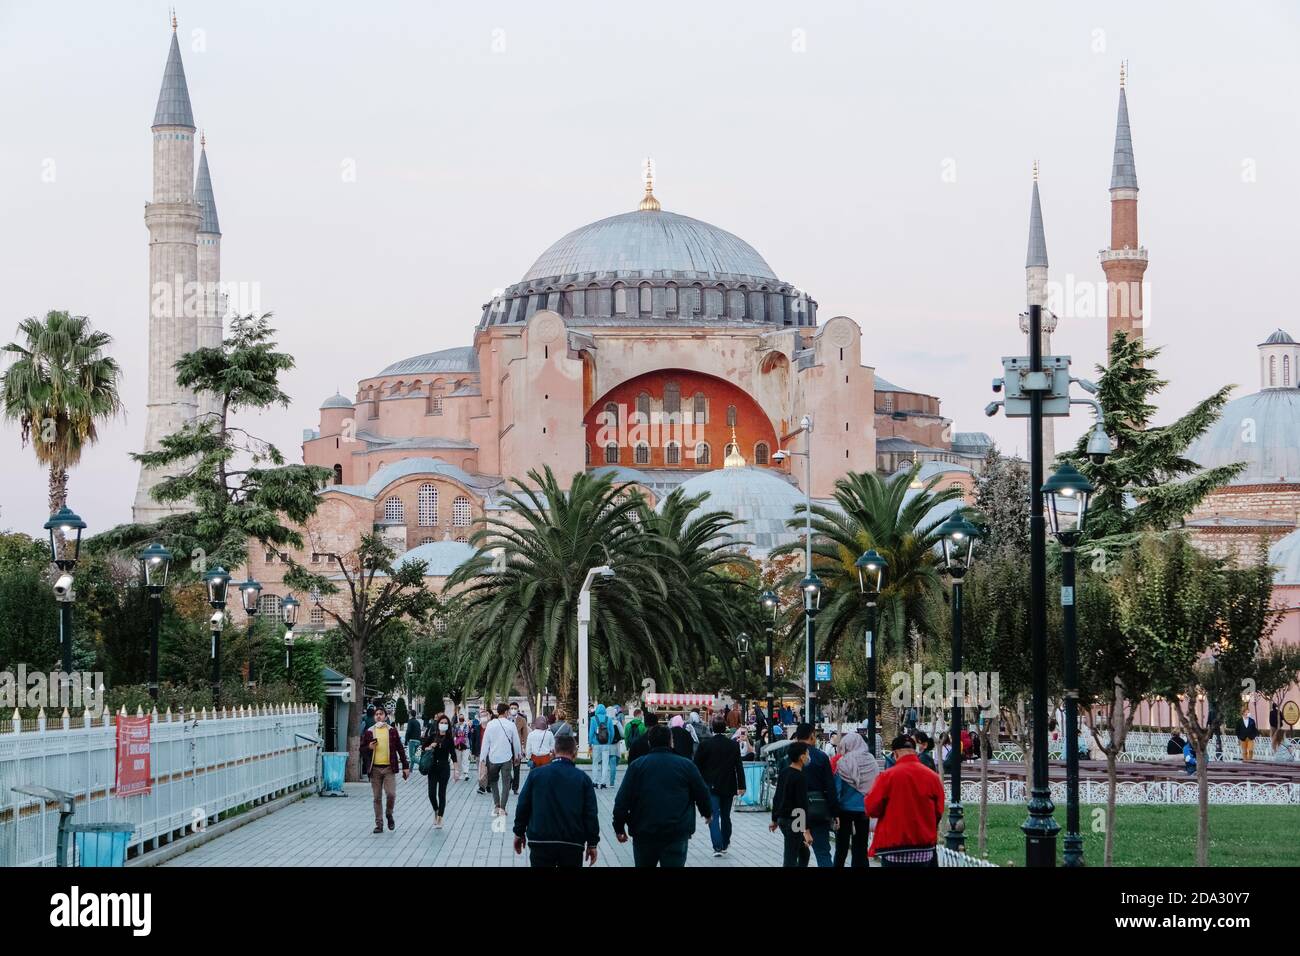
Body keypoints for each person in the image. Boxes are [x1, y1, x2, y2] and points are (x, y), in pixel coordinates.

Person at [612, 725, 711, 868]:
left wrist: (619, 827)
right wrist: (707, 812)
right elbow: (701, 792)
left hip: (644, 832)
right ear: (671, 742)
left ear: (649, 742)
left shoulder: (637, 766)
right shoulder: (686, 765)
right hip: (676, 832)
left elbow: (622, 800)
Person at [513, 733, 599, 867]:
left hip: (540, 841)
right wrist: (592, 843)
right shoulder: (583, 779)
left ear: (553, 752)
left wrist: (519, 833)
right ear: (574, 754)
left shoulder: (536, 775)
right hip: (572, 843)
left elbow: (523, 805)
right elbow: (590, 814)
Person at [865, 734, 945, 867]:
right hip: (923, 847)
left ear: (895, 754)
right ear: (915, 751)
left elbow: (872, 808)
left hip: (894, 848)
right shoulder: (932, 777)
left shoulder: (887, 776)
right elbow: (938, 811)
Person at [694, 714, 746, 856]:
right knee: (726, 815)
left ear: (712, 727)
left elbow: (696, 766)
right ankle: (725, 842)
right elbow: (738, 767)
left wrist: (697, 785)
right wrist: (742, 785)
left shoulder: (705, 745)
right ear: (725, 728)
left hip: (710, 786)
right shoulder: (733, 745)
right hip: (729, 785)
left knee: (713, 815)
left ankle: (717, 846)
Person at [791, 723, 838, 867]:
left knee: (798, 852)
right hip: (818, 808)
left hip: (797, 810)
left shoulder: (790, 756)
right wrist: (835, 812)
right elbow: (830, 786)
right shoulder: (821, 757)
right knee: (823, 852)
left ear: (797, 737)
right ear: (812, 736)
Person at [359, 705, 410, 834]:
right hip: (375, 769)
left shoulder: (392, 730)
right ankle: (379, 824)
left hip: (389, 768)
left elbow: (400, 748)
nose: (379, 716)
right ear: (374, 717)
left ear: (386, 716)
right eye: (377, 714)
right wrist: (369, 747)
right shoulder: (369, 731)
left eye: (381, 714)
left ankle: (389, 814)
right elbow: (362, 749)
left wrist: (405, 766)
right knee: (377, 797)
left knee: (391, 794)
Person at [833, 731, 878, 868]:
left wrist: (834, 810)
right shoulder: (871, 760)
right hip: (864, 809)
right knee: (861, 846)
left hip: (844, 810)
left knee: (842, 846)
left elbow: (837, 789)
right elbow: (876, 784)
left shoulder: (844, 762)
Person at [770, 741, 812, 867]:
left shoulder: (784, 772)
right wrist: (806, 830)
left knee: (803, 852)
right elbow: (802, 804)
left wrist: (774, 819)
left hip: (784, 819)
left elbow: (777, 796)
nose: (809, 757)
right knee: (791, 856)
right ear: (801, 757)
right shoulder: (800, 777)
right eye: (807, 754)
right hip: (794, 820)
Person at [480, 702, 522, 815]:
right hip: (507, 758)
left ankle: (497, 805)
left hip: (493, 758)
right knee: (506, 783)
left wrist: (482, 758)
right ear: (506, 712)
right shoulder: (511, 725)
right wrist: (518, 755)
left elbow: (485, 743)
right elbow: (516, 743)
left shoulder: (490, 724)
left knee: (493, 782)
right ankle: (503, 808)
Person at [420, 712, 457, 829]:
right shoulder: (432, 736)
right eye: (442, 723)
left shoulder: (449, 739)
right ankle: (436, 810)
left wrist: (456, 771)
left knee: (442, 793)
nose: (444, 725)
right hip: (432, 768)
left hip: (444, 768)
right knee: (431, 793)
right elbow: (423, 748)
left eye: (446, 723)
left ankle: (440, 817)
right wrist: (431, 746)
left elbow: (454, 755)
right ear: (438, 724)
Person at [589, 703, 620, 789]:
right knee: (605, 763)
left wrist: (590, 742)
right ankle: (603, 783)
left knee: (595, 763)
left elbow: (591, 732)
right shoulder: (608, 719)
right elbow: (612, 732)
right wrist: (609, 741)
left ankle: (594, 782)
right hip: (606, 745)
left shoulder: (593, 719)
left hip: (596, 744)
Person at [509, 703, 531, 795]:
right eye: (511, 708)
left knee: (516, 768)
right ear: (509, 709)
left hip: (517, 747)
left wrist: (524, 748)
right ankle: (510, 780)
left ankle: (515, 788)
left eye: (515, 708)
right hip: (507, 746)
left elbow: (525, 734)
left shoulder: (522, 720)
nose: (513, 709)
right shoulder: (506, 719)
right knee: (506, 767)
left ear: (518, 709)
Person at [454, 713, 470, 780]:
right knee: (459, 760)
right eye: (460, 719)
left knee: (465, 759)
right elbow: (454, 735)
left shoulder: (467, 726)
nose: (461, 720)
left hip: (465, 745)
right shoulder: (455, 726)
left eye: (462, 718)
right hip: (457, 745)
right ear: (458, 719)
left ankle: (466, 773)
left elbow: (468, 734)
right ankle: (460, 773)